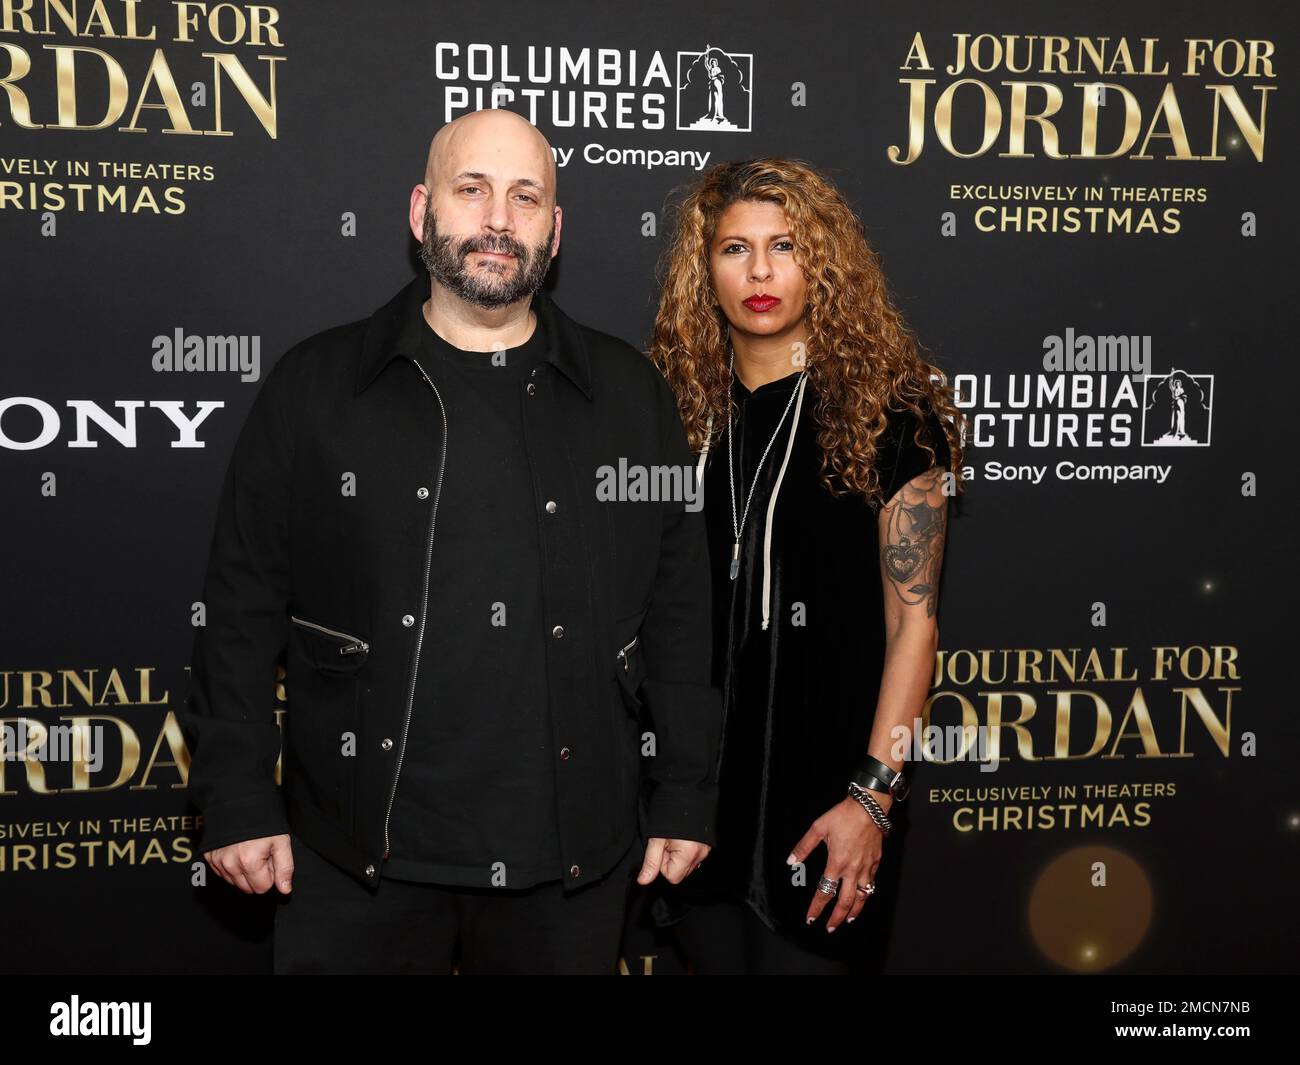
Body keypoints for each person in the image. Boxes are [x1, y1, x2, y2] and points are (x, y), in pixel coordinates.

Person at [179, 109, 722, 975]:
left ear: (556, 227)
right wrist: (237, 791)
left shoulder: (629, 397)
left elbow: (681, 613)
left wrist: (689, 788)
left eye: (526, 196)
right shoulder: (316, 387)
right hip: (353, 858)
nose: (499, 219)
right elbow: (239, 605)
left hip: (571, 867)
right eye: (473, 191)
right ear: (421, 210)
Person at [644, 157, 967, 974]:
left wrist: (872, 798)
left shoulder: (895, 416)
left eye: (784, 246)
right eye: (734, 249)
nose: (759, 271)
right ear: (701, 269)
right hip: (692, 815)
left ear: (822, 264)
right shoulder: (673, 421)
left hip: (832, 808)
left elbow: (913, 624)